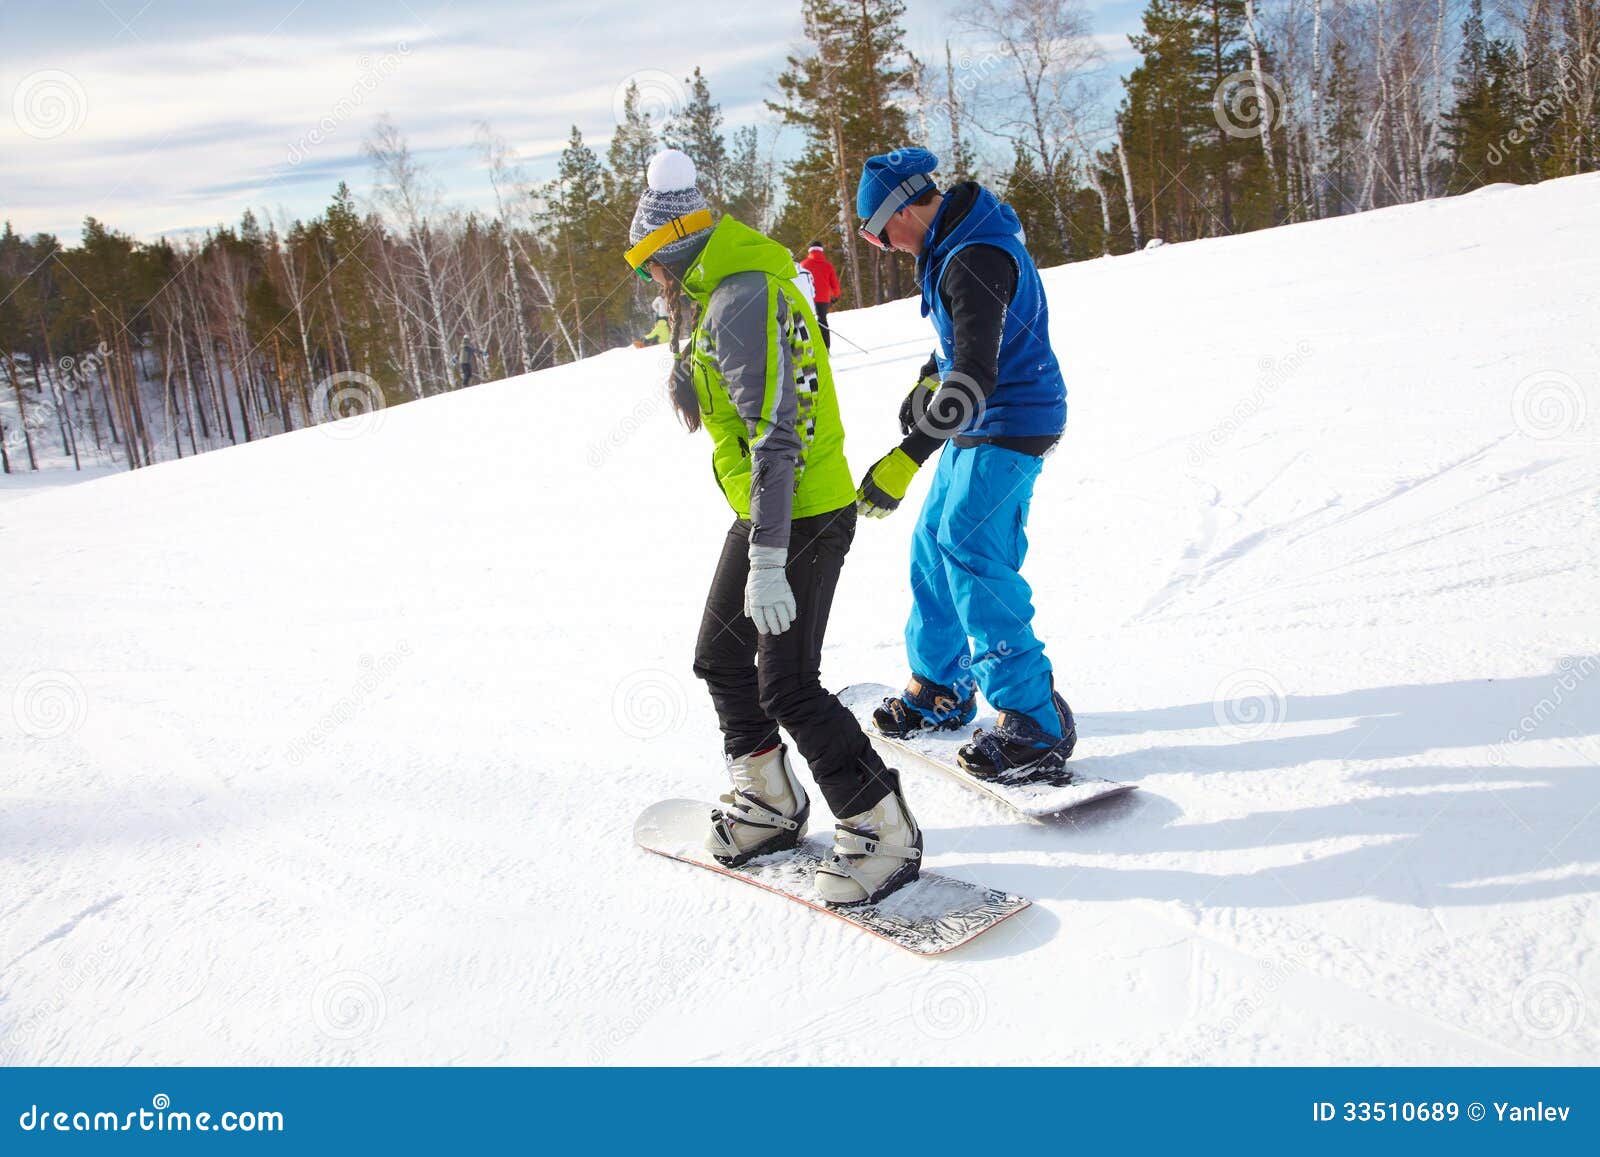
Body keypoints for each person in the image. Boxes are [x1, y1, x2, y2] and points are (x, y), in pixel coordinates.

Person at [623, 148, 923, 906]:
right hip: (765, 509)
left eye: (648, 263)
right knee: (721, 658)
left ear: (676, 245)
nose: (648, 280)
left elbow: (776, 433)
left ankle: (881, 825)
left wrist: (767, 557)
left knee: (787, 685)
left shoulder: (741, 295)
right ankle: (771, 801)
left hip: (802, 510)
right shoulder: (716, 290)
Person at [851, 146, 1076, 779]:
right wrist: (928, 378)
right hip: (982, 417)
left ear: (901, 211)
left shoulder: (974, 255)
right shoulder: (955, 244)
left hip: (1014, 420)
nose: (880, 246)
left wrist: (908, 456)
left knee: (972, 552)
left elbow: (977, 370)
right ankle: (942, 685)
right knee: (932, 544)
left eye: (876, 232)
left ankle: (1034, 720)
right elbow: (959, 347)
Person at [797, 241, 842, 350]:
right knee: (823, 321)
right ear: (821, 250)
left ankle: (811, 348)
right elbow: (834, 283)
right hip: (823, 299)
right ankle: (826, 347)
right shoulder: (827, 265)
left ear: (810, 251)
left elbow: (799, 281)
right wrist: (836, 296)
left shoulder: (803, 264)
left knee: (808, 323)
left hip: (809, 298)